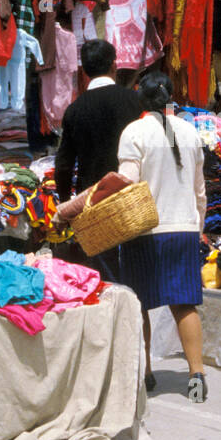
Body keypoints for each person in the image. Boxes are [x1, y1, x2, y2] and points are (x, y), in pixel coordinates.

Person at [116, 71, 208, 403]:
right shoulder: (190, 132)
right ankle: (196, 375)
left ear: (141, 98)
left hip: (145, 231)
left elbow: (126, 183)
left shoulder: (134, 133)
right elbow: (200, 192)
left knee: (138, 304)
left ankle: (146, 374)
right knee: (184, 304)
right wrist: (198, 229)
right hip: (184, 229)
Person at [53, 40, 144, 280]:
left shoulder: (75, 110)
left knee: (103, 277)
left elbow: (63, 165)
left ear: (83, 71)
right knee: (135, 275)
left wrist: (66, 205)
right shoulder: (134, 100)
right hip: (133, 201)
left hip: (93, 205)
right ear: (115, 65)